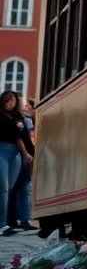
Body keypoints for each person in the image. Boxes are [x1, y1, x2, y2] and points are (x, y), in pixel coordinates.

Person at [0, 91, 29, 236]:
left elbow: (20, 138)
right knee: (3, 189)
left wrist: (25, 154)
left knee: (9, 188)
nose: (11, 103)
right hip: (2, 150)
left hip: (15, 153)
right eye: (8, 100)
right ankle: (2, 225)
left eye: (13, 101)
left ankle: (6, 222)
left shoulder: (17, 116)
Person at [7, 98, 35, 231]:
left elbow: (27, 137)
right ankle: (12, 220)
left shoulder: (23, 118)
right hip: (15, 153)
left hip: (25, 154)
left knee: (24, 188)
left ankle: (23, 220)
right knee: (13, 188)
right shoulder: (8, 118)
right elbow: (19, 138)